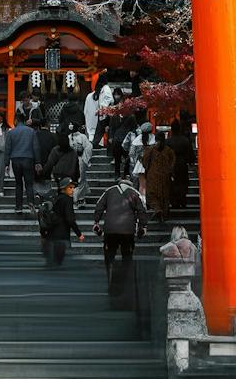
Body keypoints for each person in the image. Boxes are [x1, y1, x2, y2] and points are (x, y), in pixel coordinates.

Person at [93, 173, 146, 307]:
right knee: (127, 257)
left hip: (110, 230)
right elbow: (141, 211)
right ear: (129, 184)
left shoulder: (109, 191)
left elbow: (99, 206)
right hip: (127, 231)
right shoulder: (134, 193)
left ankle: (109, 274)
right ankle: (126, 280)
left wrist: (96, 222)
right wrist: (142, 227)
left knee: (109, 255)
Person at [40, 179, 85, 268]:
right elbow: (70, 219)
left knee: (52, 264)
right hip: (62, 235)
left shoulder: (55, 198)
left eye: (73, 188)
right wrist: (79, 234)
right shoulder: (67, 200)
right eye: (70, 187)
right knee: (59, 264)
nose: (73, 190)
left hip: (51, 234)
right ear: (63, 189)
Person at [5, 114, 38, 213]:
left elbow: (7, 149)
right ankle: (31, 203)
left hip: (15, 159)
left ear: (16, 120)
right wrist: (38, 162)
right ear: (24, 121)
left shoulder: (11, 133)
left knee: (18, 183)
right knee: (29, 183)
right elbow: (36, 147)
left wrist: (6, 163)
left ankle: (19, 207)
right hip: (28, 158)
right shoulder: (31, 131)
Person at [144, 131, 176, 223]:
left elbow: (145, 161)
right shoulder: (169, 150)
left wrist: (147, 167)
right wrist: (170, 171)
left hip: (153, 174)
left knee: (152, 193)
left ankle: (157, 209)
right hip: (165, 175)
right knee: (164, 195)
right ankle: (165, 214)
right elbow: (173, 162)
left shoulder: (150, 149)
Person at [168, 115, 193, 209]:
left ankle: (174, 201)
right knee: (183, 183)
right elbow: (190, 153)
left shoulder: (168, 141)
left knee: (173, 184)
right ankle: (182, 200)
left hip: (171, 165)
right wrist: (190, 161)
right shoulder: (185, 141)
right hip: (182, 163)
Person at [32, 117, 58, 203]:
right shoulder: (53, 136)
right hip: (48, 162)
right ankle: (45, 198)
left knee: (36, 180)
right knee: (46, 182)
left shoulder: (35, 134)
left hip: (36, 161)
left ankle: (37, 195)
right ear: (48, 125)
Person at [90, 80, 115, 147]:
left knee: (103, 129)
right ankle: (95, 143)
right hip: (103, 112)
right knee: (100, 129)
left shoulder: (106, 89)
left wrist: (103, 108)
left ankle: (96, 143)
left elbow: (109, 99)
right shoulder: (104, 89)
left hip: (106, 112)